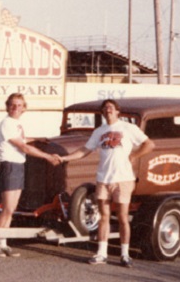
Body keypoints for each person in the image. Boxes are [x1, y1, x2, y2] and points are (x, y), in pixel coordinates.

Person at [60, 99, 155, 267]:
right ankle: (101, 253)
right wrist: (64, 158)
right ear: (103, 113)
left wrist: (134, 156)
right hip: (103, 179)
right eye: (105, 109)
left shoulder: (129, 128)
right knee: (104, 217)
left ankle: (125, 255)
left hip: (123, 179)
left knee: (122, 217)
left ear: (118, 112)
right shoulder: (99, 131)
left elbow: (149, 144)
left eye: (111, 108)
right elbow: (84, 150)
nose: (108, 110)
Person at [0, 93, 62, 258]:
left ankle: (3, 243)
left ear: (24, 108)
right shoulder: (7, 123)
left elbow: (22, 139)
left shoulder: (16, 123)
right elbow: (23, 147)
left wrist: (38, 139)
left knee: (11, 209)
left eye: (19, 105)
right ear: (7, 106)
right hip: (9, 166)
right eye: (13, 105)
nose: (16, 108)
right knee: (7, 209)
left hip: (18, 166)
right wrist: (47, 157)